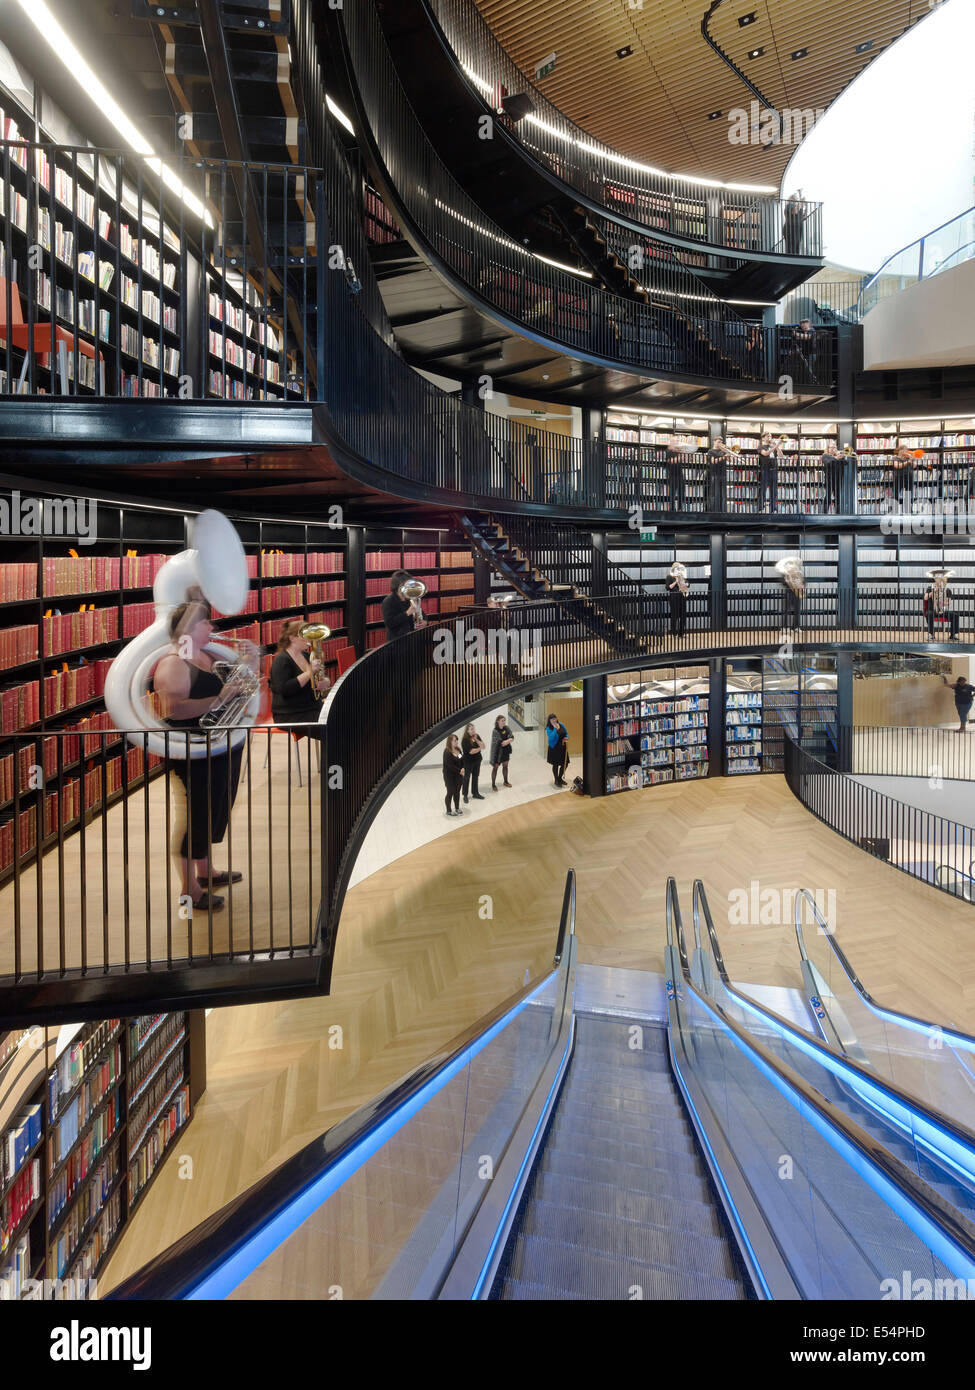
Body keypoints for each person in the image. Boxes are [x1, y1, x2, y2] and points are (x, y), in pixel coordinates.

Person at [153, 599, 255, 912]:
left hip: (219, 744)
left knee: (214, 808)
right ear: (188, 629)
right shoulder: (174, 662)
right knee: (196, 815)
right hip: (193, 749)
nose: (211, 627)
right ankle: (191, 891)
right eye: (204, 623)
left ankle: (206, 871)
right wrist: (219, 698)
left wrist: (249, 662)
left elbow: (237, 686)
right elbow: (174, 708)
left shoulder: (206, 655)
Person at [269, 618, 329, 741]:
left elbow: (316, 680)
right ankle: (332, 759)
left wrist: (324, 682)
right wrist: (309, 673)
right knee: (331, 727)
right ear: (292, 638)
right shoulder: (281, 660)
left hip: (310, 707)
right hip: (289, 713)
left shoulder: (307, 656)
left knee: (342, 717)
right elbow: (285, 689)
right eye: (305, 635)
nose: (309, 639)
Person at [382, 569, 426, 640]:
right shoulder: (388, 601)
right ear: (398, 586)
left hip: (413, 639)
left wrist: (425, 622)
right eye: (407, 584)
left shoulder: (410, 598)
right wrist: (407, 613)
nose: (410, 587)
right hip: (397, 642)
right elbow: (390, 623)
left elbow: (422, 613)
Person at [461, 723, 486, 802]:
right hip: (468, 762)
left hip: (477, 760)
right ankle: (465, 795)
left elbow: (484, 746)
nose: (473, 730)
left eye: (473, 729)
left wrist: (477, 740)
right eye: (471, 729)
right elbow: (471, 751)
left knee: (475, 776)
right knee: (466, 778)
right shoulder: (465, 740)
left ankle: (475, 793)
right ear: (467, 731)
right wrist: (480, 748)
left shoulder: (476, 736)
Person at [442, 733, 465, 815]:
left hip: (458, 775)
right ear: (450, 742)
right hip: (449, 776)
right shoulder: (447, 752)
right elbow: (450, 765)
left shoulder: (458, 750)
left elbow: (462, 760)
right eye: (454, 741)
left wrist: (463, 768)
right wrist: (460, 771)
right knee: (450, 792)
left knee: (457, 792)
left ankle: (457, 808)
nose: (456, 742)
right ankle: (448, 811)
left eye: (457, 740)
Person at [545, 713, 570, 787]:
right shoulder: (548, 728)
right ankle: (556, 779)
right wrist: (555, 729)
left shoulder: (561, 724)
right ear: (549, 721)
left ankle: (560, 778)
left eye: (555, 719)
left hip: (563, 747)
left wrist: (567, 737)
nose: (554, 720)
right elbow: (551, 738)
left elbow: (566, 733)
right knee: (555, 764)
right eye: (552, 719)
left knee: (565, 763)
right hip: (554, 748)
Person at [490, 714, 514, 789]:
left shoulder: (507, 728)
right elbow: (500, 742)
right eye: (502, 721)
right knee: (495, 768)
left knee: (505, 766)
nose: (504, 722)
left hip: (506, 751)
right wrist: (509, 740)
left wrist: (508, 740)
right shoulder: (495, 731)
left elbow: (512, 737)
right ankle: (493, 785)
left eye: (504, 721)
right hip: (497, 753)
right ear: (498, 721)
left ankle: (506, 781)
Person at [707, 437, 731, 511]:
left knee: (723, 494)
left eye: (721, 442)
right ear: (714, 442)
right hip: (714, 474)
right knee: (714, 494)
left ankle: (723, 511)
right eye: (718, 442)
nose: (720, 443)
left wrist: (728, 453)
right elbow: (713, 461)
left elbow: (729, 460)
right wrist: (723, 457)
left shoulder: (723, 451)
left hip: (723, 474)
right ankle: (714, 510)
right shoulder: (710, 451)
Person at [758, 432, 779, 513]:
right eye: (768, 436)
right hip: (765, 470)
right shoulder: (761, 446)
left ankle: (773, 509)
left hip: (773, 470)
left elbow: (781, 455)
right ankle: (761, 509)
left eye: (770, 436)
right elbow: (765, 453)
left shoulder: (773, 447)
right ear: (763, 438)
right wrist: (775, 447)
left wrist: (777, 447)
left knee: (774, 491)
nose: (769, 437)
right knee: (763, 490)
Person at [666, 564, 688, 637]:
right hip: (673, 598)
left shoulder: (682, 576)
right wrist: (676, 581)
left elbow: (687, 584)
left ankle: (681, 633)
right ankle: (673, 633)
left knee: (683, 616)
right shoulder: (669, 576)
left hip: (682, 597)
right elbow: (668, 587)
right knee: (674, 616)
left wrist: (686, 584)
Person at [821, 440, 843, 514]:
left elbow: (845, 463)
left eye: (835, 447)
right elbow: (828, 462)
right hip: (829, 479)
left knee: (838, 497)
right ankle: (825, 513)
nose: (833, 448)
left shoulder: (837, 456)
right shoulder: (825, 455)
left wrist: (843, 456)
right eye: (832, 447)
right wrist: (836, 458)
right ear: (828, 448)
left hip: (838, 479)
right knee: (828, 497)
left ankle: (838, 513)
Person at [665, 438, 686, 511]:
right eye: (675, 441)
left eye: (677, 441)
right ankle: (672, 509)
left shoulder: (678, 451)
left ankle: (680, 508)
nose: (676, 443)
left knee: (681, 492)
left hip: (680, 474)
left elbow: (683, 459)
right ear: (671, 442)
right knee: (672, 493)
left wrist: (682, 453)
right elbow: (669, 461)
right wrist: (679, 458)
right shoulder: (668, 451)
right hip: (672, 475)